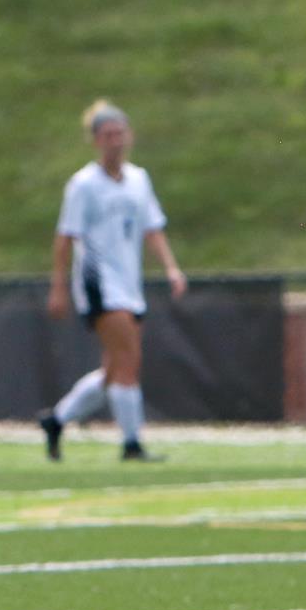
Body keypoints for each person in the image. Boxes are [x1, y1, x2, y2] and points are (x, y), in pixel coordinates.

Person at [39, 99, 186, 461]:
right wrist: (58, 287)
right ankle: (132, 443)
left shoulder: (139, 179)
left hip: (128, 282)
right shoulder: (83, 185)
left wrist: (171, 267)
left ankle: (57, 419)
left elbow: (153, 227)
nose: (115, 141)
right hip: (98, 282)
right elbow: (65, 238)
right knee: (128, 360)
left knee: (114, 369)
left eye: (120, 133)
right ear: (95, 141)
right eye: (107, 135)